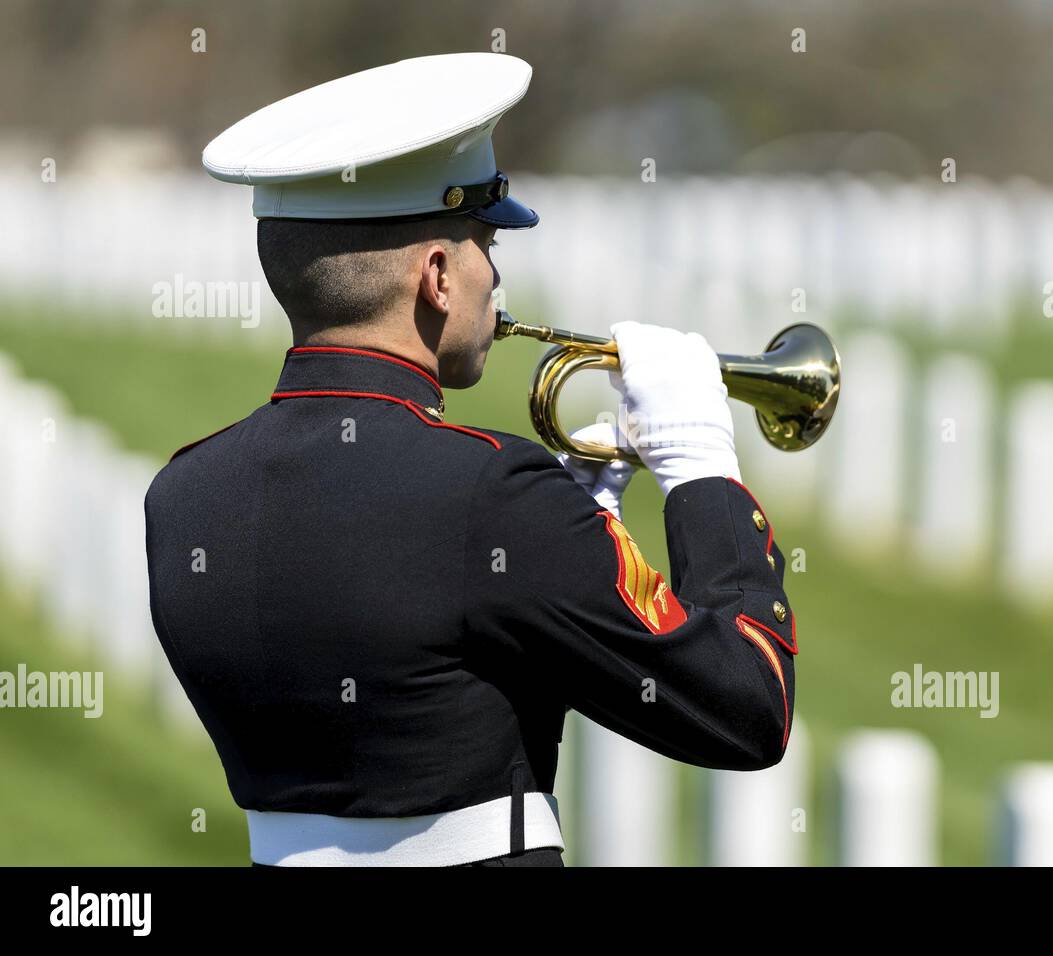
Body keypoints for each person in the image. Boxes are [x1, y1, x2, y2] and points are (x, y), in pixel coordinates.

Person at [144, 52, 797, 867]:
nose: (499, 277)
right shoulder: (494, 494)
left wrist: (579, 539)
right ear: (440, 275)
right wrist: (701, 470)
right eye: (489, 243)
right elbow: (746, 708)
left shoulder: (181, 495)